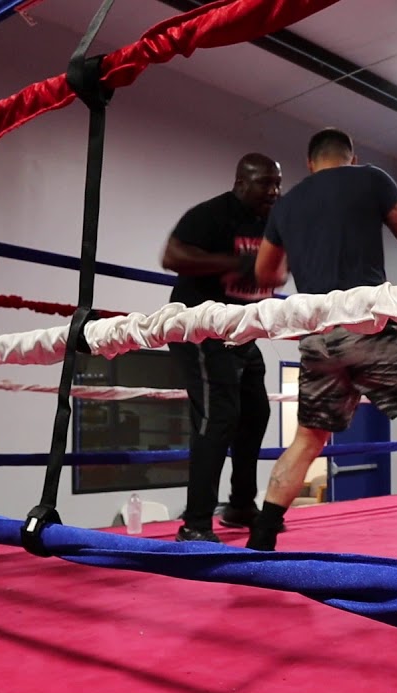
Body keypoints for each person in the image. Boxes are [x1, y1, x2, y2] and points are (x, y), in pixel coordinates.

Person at [246, 128, 397, 570]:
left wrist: (305, 248)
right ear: (351, 157)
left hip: (317, 338)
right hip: (367, 327)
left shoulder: (286, 204)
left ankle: (259, 544)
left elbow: (265, 276)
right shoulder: (370, 178)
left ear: (310, 163)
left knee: (307, 439)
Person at [161, 153, 284, 542]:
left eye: (277, 183)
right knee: (219, 417)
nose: (274, 191)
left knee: (256, 413)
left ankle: (240, 506)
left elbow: (278, 271)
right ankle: (196, 524)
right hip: (198, 328)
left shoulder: (272, 222)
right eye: (265, 183)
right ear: (241, 183)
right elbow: (172, 257)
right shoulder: (212, 214)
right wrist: (235, 263)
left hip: (240, 333)